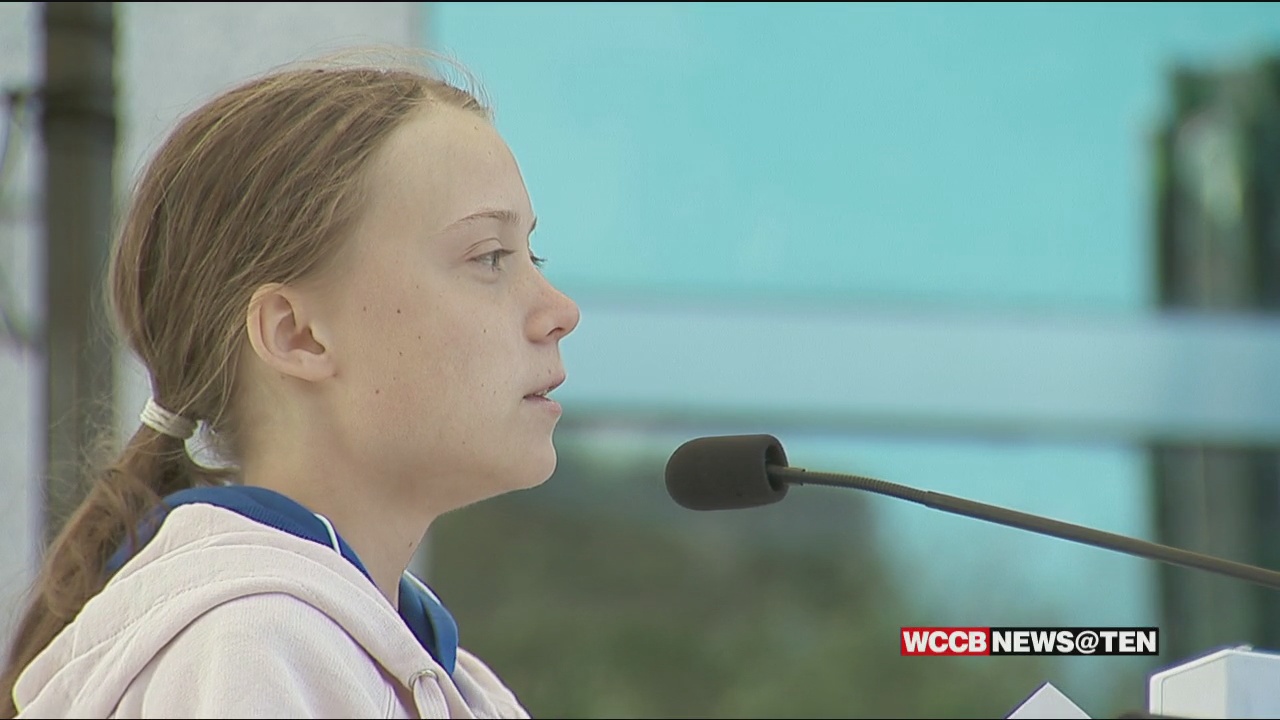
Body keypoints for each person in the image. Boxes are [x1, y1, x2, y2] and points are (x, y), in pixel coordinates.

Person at [1, 48, 580, 718]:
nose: (558, 312)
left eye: (529, 255)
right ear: (297, 334)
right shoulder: (252, 647)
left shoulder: (447, 679)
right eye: (490, 258)